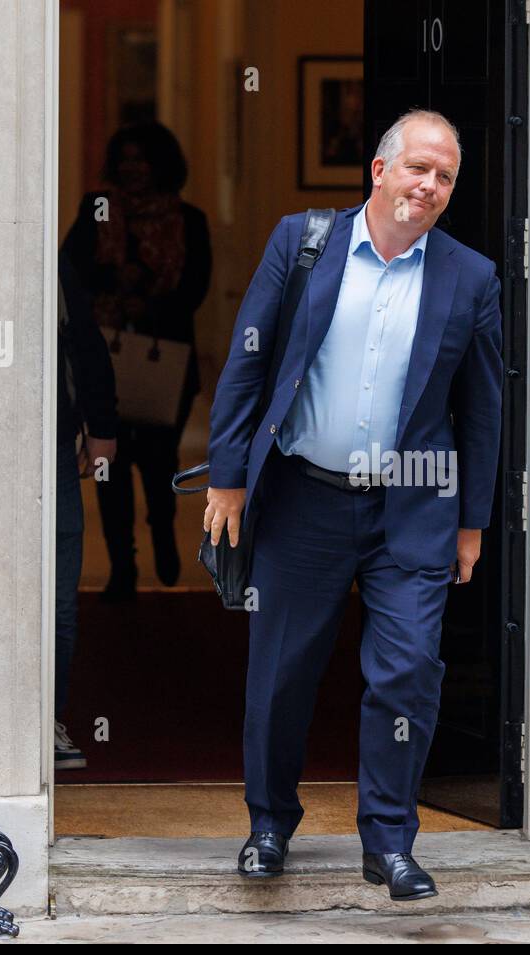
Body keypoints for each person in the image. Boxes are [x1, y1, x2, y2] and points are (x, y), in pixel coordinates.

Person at [205, 109, 503, 901]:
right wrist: (228, 473)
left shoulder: (469, 277)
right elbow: (247, 357)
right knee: (280, 672)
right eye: (418, 169)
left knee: (407, 670)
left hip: (413, 508)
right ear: (379, 171)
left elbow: (482, 410)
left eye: (444, 177)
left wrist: (472, 519)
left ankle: (391, 840)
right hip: (305, 497)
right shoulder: (302, 243)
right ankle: (269, 824)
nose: (430, 186)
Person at [61, 121, 212, 600]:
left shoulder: (189, 218)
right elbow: (70, 272)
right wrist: (112, 279)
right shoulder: (97, 209)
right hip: (105, 356)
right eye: (124, 159)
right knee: (111, 462)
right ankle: (122, 563)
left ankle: (164, 532)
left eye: (140, 159)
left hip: (164, 357)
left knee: (158, 459)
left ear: (161, 165)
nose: (131, 168)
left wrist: (147, 296)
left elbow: (195, 287)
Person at [55, 250, 118, 770]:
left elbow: (85, 341)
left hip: (54, 445)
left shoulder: (58, 262)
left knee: (58, 599)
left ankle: (47, 719)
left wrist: (101, 426)